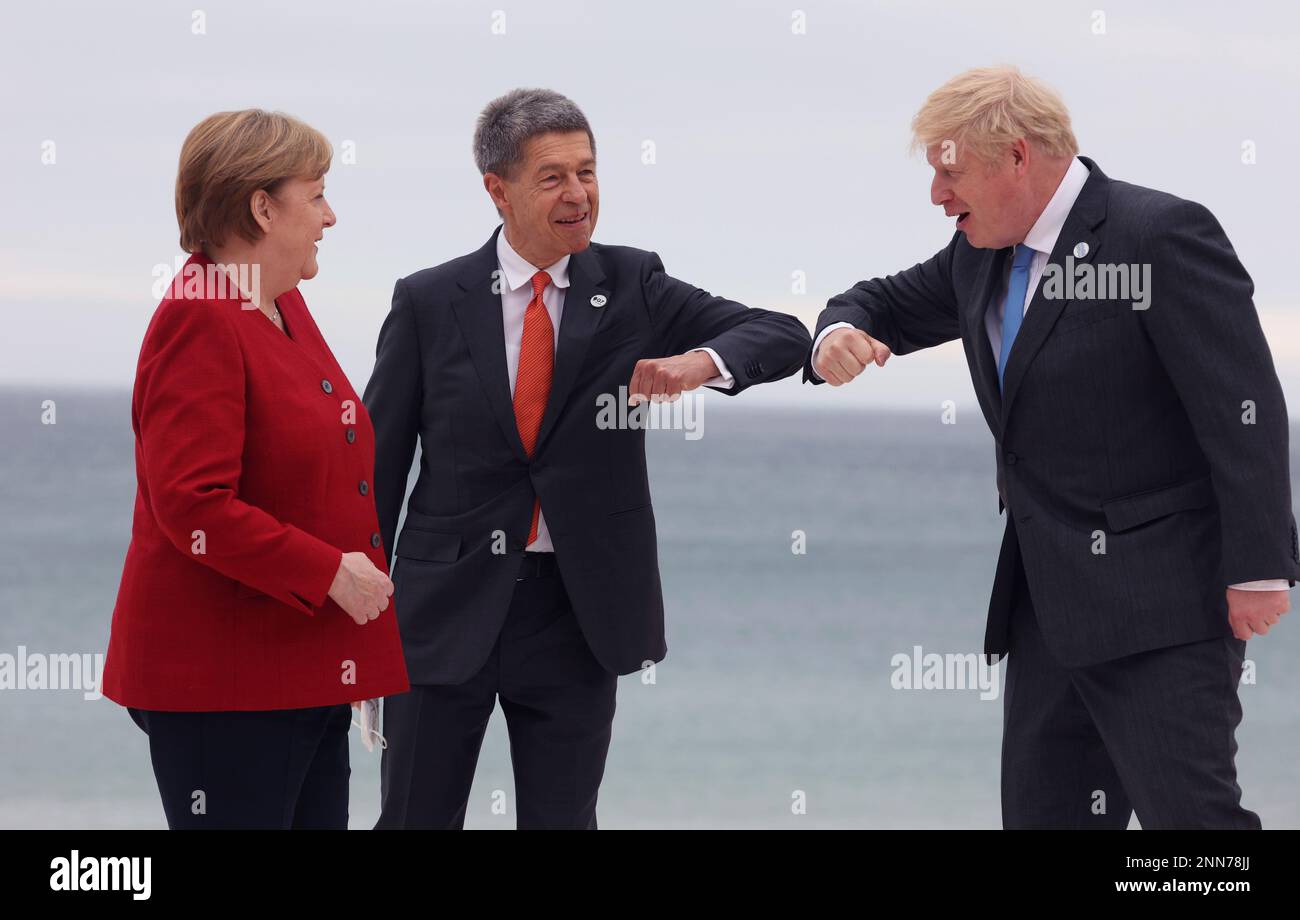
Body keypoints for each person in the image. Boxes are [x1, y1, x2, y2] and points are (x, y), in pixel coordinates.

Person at [809, 66, 1297, 829]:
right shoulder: (978, 252)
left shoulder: (1159, 233)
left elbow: (1243, 409)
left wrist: (1261, 566)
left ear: (1017, 156)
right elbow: (882, 303)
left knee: (1196, 830)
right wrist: (839, 333)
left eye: (950, 172)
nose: (938, 196)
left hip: (1164, 606)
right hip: (1045, 611)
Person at [364, 87, 811, 829]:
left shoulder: (633, 283)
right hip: (442, 609)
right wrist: (362, 606)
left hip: (576, 611)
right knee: (413, 819)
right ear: (497, 190)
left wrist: (700, 363)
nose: (578, 194)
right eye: (553, 177)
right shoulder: (427, 300)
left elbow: (781, 332)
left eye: (588, 172)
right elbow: (379, 465)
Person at [102, 109, 409, 829]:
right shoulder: (202, 314)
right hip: (225, 685)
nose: (331, 217)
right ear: (262, 206)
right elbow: (193, 505)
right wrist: (329, 572)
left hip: (302, 669)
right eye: (318, 194)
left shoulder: (280, 301)